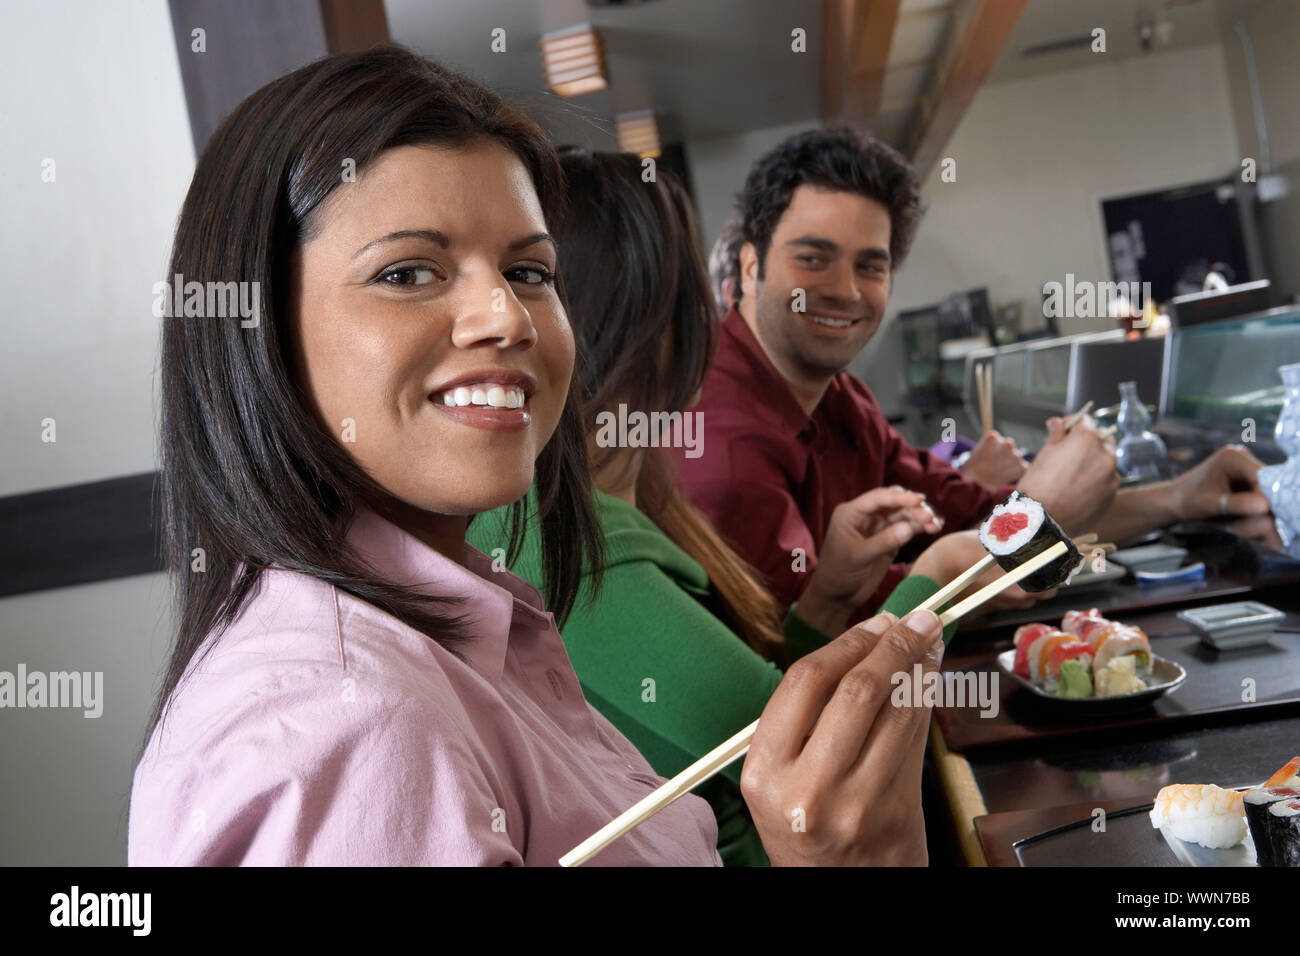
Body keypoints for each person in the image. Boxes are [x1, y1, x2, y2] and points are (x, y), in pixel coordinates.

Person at [129, 47, 942, 867]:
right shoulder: (345, 722)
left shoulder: (478, 618)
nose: (508, 319)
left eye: (528, 271)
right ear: (257, 332)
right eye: (408, 272)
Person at [468, 149, 1030, 864]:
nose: (843, 293)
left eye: (872, 266)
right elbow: (803, 750)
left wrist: (825, 600)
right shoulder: (554, 537)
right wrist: (940, 578)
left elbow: (737, 713)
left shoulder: (621, 497)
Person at [671, 126, 1272, 621]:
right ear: (750, 266)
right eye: (813, 258)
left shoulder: (842, 399)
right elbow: (810, 651)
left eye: (871, 266)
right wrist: (1038, 512)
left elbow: (982, 517)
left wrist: (1183, 496)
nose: (845, 291)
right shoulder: (724, 440)